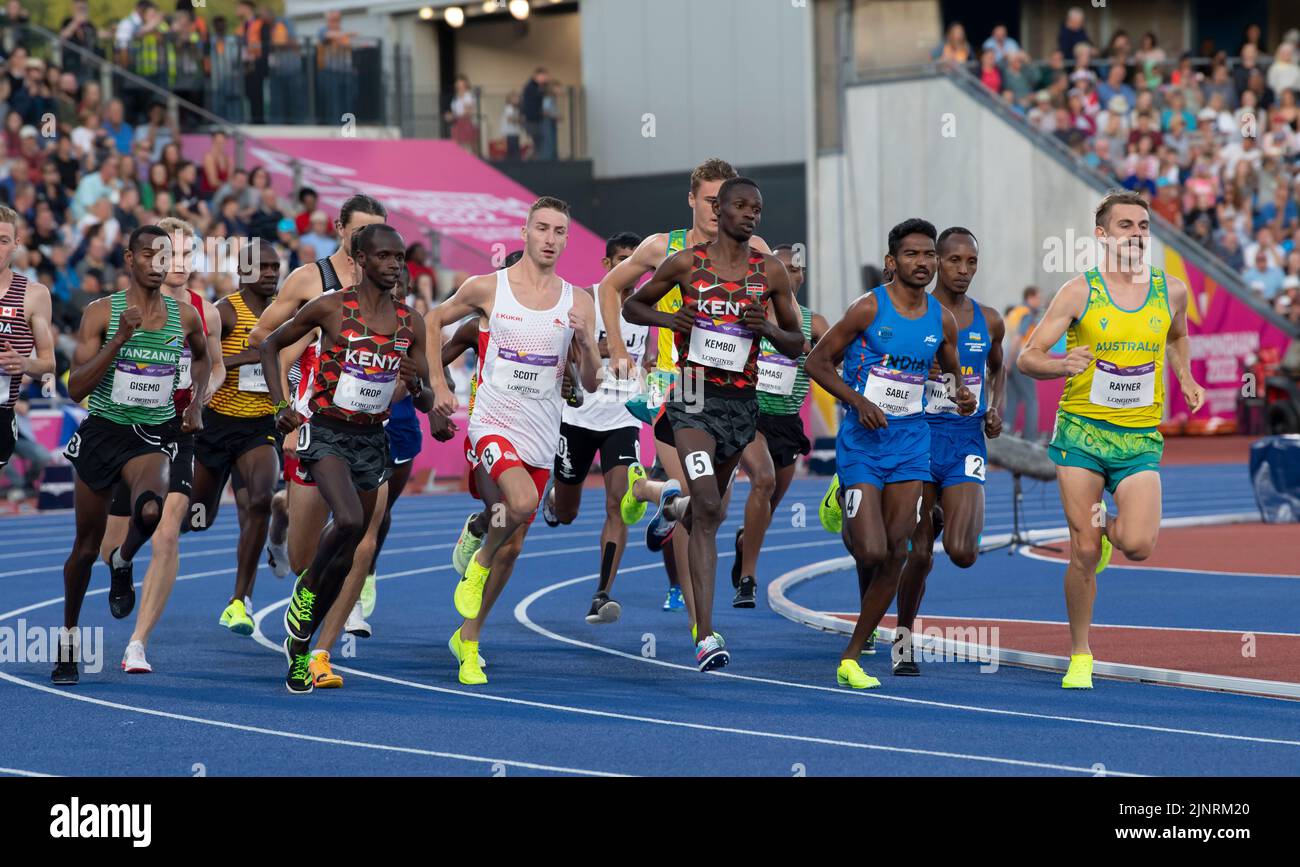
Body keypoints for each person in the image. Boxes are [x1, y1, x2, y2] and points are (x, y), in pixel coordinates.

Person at [1017, 190, 1203, 689]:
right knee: (1082, 551)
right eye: (1125, 225)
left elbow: (1178, 335)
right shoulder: (1079, 292)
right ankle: (1081, 653)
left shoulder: (1172, 290)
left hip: (1139, 437)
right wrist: (1061, 364)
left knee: (1139, 544)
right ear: (1102, 235)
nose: (1137, 234)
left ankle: (1102, 528)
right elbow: (1027, 357)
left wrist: (1184, 376)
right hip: (1081, 434)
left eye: (1143, 225)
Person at [622, 177, 805, 672]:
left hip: (742, 406)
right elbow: (630, 305)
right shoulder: (687, 262)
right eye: (740, 206)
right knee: (708, 503)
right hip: (692, 398)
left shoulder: (769, 272)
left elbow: (796, 343)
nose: (751, 214)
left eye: (757, 208)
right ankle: (705, 636)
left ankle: (666, 501)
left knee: (709, 514)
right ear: (717, 210)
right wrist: (670, 321)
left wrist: (767, 328)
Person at [425, 196, 602, 686]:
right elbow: (432, 320)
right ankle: (478, 560)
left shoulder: (578, 301)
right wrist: (440, 386)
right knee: (520, 502)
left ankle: (469, 640)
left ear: (567, 239)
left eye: (559, 231)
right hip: (492, 422)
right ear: (524, 232)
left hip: (542, 434)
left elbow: (589, 384)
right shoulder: (488, 287)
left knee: (515, 545)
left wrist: (587, 345)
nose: (549, 238)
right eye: (541, 228)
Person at [596, 157, 773, 625]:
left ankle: (653, 494)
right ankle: (702, 629)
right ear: (692, 200)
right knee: (702, 506)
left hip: (732, 389)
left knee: (716, 505)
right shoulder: (664, 248)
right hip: (677, 383)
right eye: (711, 201)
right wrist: (617, 347)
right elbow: (612, 288)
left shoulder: (754, 247)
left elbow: (773, 309)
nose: (718, 210)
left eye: (726, 201)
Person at [804, 218, 974, 690]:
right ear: (892, 262)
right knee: (871, 550)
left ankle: (851, 656)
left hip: (911, 443)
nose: (923, 263)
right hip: (862, 442)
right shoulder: (866, 309)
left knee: (896, 552)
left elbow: (949, 360)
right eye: (912, 255)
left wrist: (959, 390)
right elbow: (817, 361)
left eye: (928, 255)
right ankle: (844, 496)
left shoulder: (941, 317)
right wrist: (857, 401)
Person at [261, 223, 431, 694]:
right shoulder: (332, 307)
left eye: (400, 257)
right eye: (384, 256)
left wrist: (421, 389)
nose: (395, 264)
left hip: (371, 439)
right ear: (359, 258)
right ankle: (306, 593)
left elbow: (424, 392)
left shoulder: (409, 321)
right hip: (325, 432)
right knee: (352, 522)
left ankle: (302, 643)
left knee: (351, 548)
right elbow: (269, 343)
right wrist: (281, 406)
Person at [55, 226, 210, 685]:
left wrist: (196, 401)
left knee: (151, 510)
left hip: (152, 433)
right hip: (103, 432)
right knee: (84, 550)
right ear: (129, 259)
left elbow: (201, 358)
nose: (159, 262)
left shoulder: (185, 316)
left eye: (165, 254)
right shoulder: (102, 313)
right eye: (149, 254)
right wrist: (118, 340)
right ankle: (67, 641)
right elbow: (76, 387)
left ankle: (123, 561)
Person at [539, 231, 689, 623]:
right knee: (568, 513)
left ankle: (602, 593)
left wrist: (654, 372)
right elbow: (561, 347)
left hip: (622, 417)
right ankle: (555, 497)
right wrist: (593, 349)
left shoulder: (645, 307)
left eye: (634, 261)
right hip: (578, 418)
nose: (629, 269)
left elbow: (654, 354)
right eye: (621, 259)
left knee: (615, 504)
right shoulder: (586, 298)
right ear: (608, 266)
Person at [97, 218, 224, 675]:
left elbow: (217, 366)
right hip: (124, 429)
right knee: (107, 546)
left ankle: (137, 644)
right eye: (172, 256)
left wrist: (198, 398)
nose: (181, 265)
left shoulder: (202, 312)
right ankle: (123, 560)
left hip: (177, 431)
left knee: (168, 531)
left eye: (189, 257)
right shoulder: (121, 306)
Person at [248, 194, 386, 585]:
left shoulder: (388, 279)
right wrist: (291, 399)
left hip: (361, 412)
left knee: (358, 517)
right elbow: (263, 335)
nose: (366, 241)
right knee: (307, 539)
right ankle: (285, 518)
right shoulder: (310, 279)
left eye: (373, 233)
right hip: (307, 405)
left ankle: (349, 600)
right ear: (340, 230)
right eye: (358, 231)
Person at [893, 227, 1005, 675]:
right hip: (919, 437)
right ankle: (904, 640)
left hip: (965, 441)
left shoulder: (990, 320)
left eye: (971, 262)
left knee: (962, 553)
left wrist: (995, 409)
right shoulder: (918, 314)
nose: (963, 270)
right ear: (936, 261)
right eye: (954, 261)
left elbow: (1000, 370)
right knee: (919, 554)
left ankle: (946, 513)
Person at [186, 239, 283, 642]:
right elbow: (205, 359)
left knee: (259, 500)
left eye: (276, 266)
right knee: (199, 518)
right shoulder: (226, 310)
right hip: (217, 424)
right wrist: (252, 357)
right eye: (262, 266)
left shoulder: (286, 312)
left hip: (259, 426)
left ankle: (239, 600)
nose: (272, 273)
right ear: (244, 271)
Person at [731, 244, 828, 606]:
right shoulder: (749, 313)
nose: (791, 274)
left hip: (786, 422)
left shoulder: (813, 323)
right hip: (748, 416)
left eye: (797, 269)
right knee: (763, 479)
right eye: (783, 267)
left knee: (767, 507)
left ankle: (745, 542)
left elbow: (839, 359)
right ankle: (748, 579)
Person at [0, 207, 56, 480]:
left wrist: (23, 363)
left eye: (3, 240)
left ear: (16, 244)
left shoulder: (34, 295)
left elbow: (49, 366)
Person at [1003, 286, 1043, 438]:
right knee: (1031, 399)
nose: (1040, 302)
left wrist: (1006, 362)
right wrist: (1011, 361)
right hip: (1019, 358)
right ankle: (1030, 438)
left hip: (1007, 359)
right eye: (1038, 298)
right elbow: (1018, 338)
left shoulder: (1014, 313)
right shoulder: (1027, 315)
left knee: (1012, 398)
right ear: (1030, 297)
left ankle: (1006, 432)